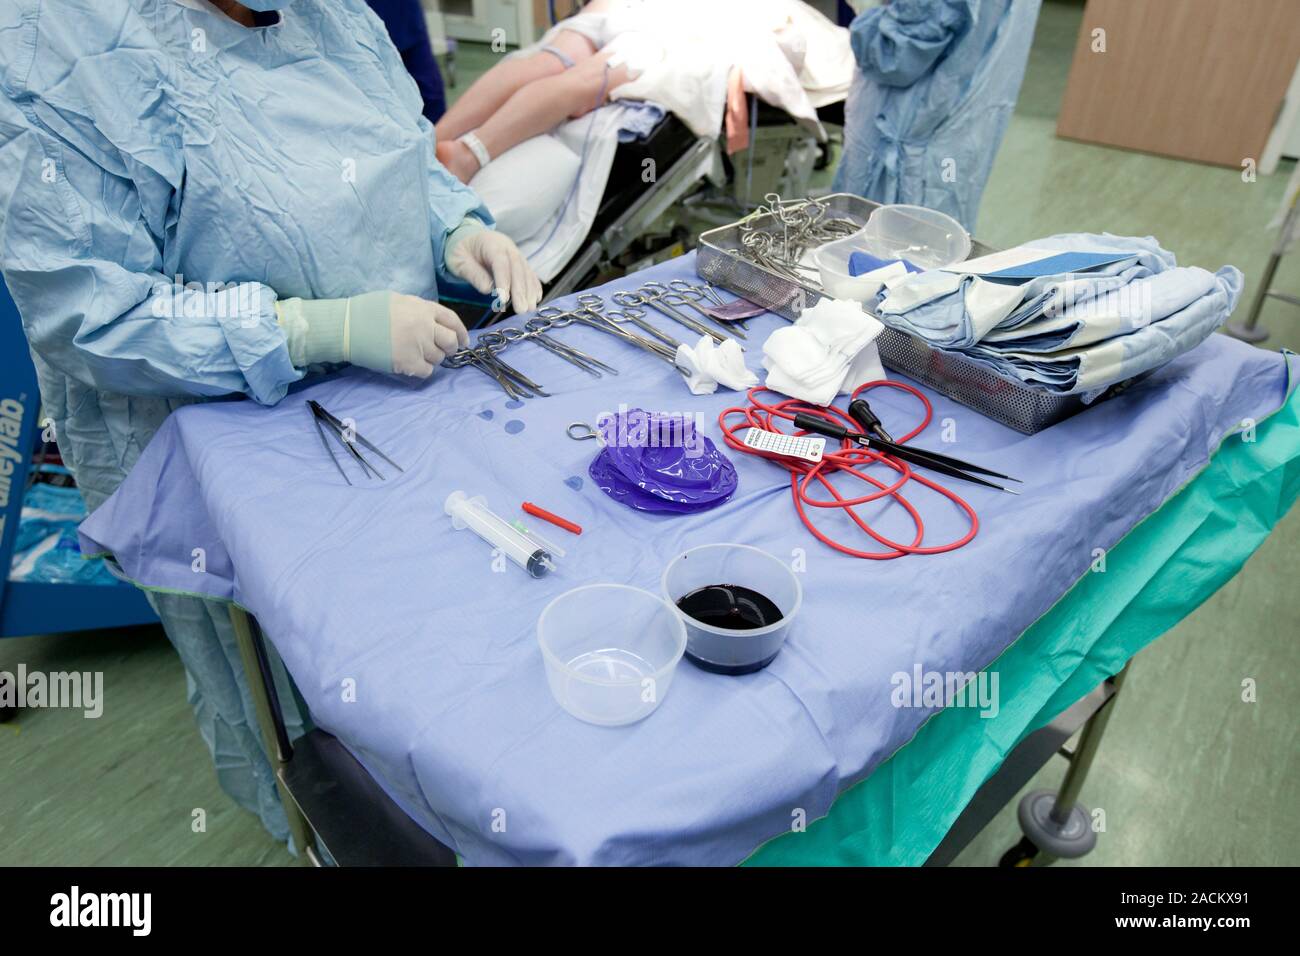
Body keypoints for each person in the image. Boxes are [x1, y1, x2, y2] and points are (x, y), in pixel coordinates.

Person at [0, 0, 540, 842]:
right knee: (296, 688)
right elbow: (89, 313)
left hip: (396, 398)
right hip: (213, 428)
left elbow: (390, 152)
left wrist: (454, 230)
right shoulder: (53, 49)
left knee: (430, 637)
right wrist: (311, 329)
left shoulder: (326, 12)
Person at [833, 0, 1042, 233]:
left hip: (906, 133)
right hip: (957, 131)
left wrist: (869, 8)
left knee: (881, 244)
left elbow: (894, 56)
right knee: (937, 238)